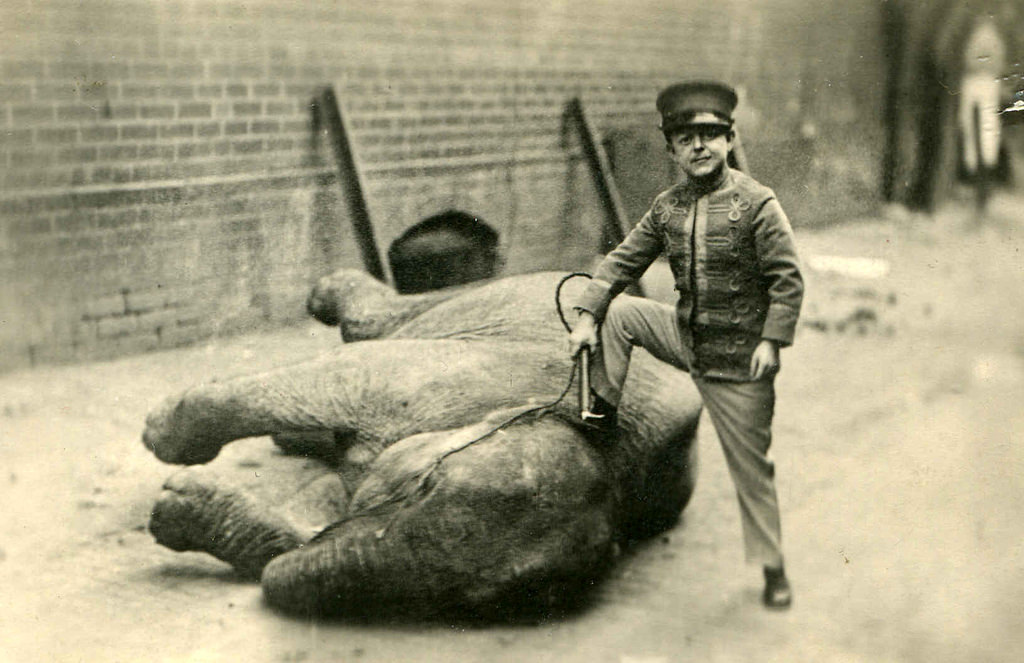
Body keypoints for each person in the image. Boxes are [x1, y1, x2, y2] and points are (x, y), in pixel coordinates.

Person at [566, 80, 804, 609]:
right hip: (686, 336)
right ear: (671, 148)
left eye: (709, 135)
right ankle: (601, 415)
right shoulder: (667, 208)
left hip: (740, 359)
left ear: (728, 138)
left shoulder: (757, 203)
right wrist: (586, 316)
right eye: (685, 138)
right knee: (624, 314)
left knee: (751, 468)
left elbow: (788, 280)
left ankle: (773, 569)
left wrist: (772, 340)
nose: (698, 147)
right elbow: (622, 261)